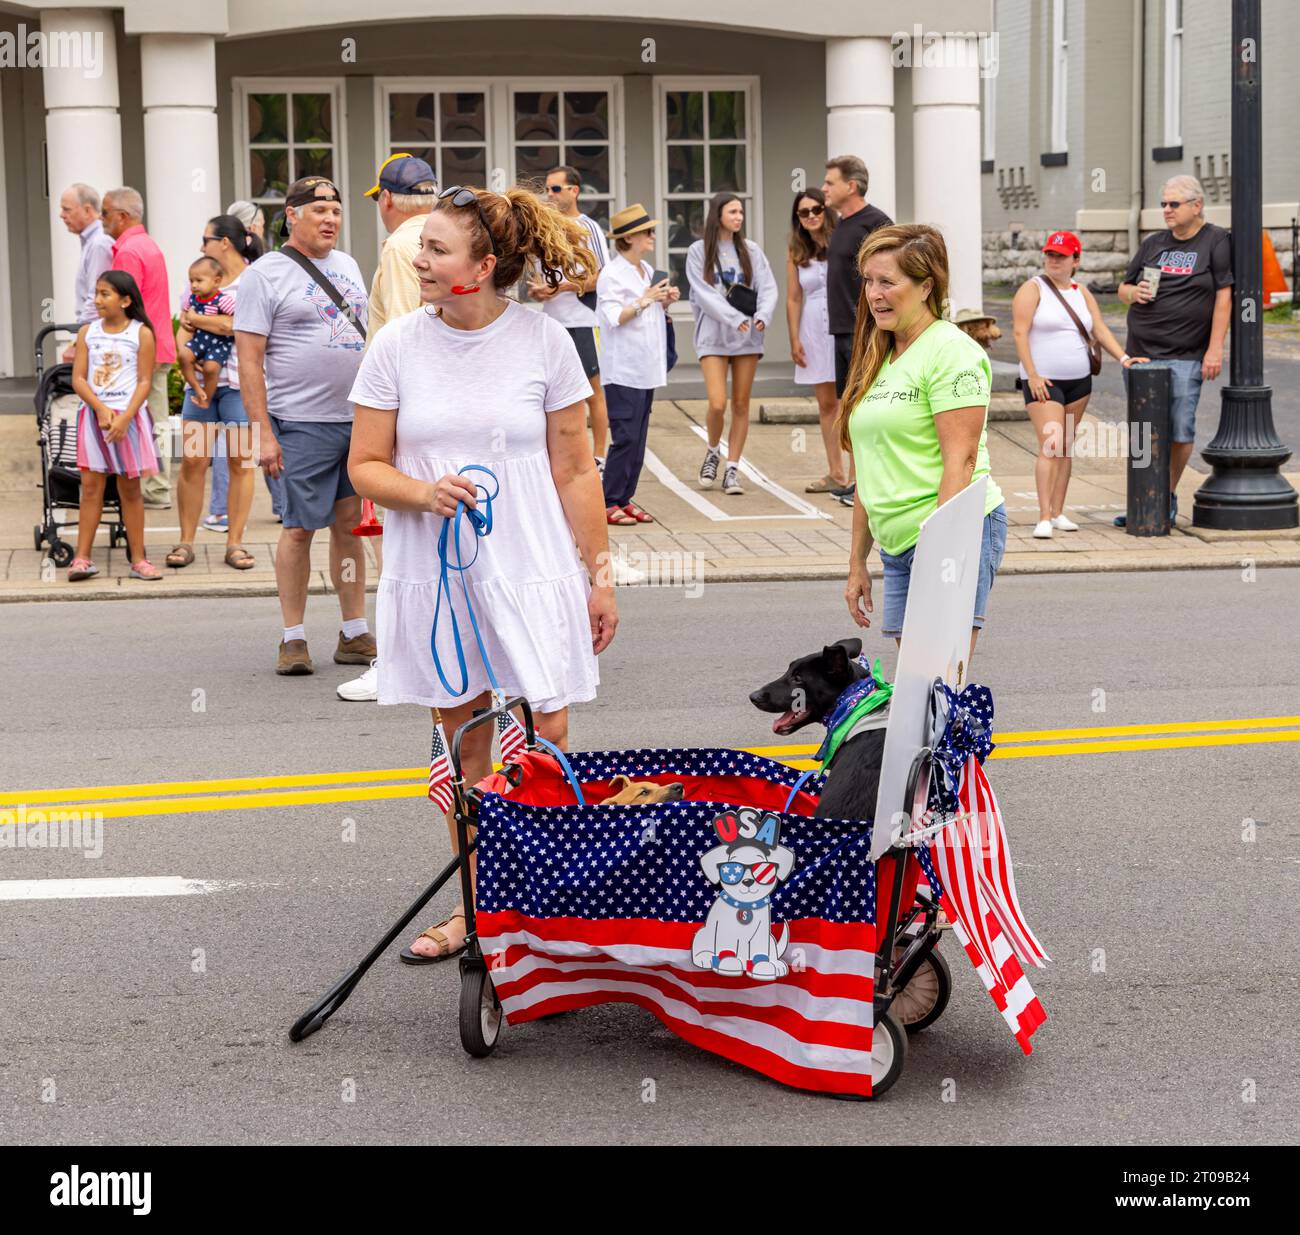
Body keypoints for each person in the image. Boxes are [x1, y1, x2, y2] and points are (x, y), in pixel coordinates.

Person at [348, 183, 618, 963]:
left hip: (532, 564)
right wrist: (424, 491)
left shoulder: (544, 342)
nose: (417, 257)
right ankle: (479, 910)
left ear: (484, 264)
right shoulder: (396, 345)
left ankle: (546, 913)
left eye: (435, 247)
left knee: (546, 736)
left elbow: (575, 468)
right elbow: (365, 466)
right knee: (467, 747)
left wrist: (599, 575)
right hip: (438, 579)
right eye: (418, 245)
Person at [840, 225, 1007, 663]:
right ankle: (953, 735)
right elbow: (870, 469)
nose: (874, 294)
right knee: (920, 687)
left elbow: (962, 460)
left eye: (888, 282)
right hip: (898, 544)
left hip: (950, 535)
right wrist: (858, 560)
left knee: (936, 680)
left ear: (926, 286)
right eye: (869, 281)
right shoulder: (880, 356)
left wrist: (940, 552)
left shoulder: (951, 352)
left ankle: (966, 735)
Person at [235, 176, 373, 676]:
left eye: (335, 210)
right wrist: (263, 433)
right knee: (297, 529)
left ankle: (354, 631)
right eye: (318, 210)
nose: (330, 219)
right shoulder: (264, 275)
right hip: (299, 423)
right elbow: (249, 361)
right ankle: (292, 638)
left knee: (349, 526)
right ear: (291, 215)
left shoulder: (349, 265)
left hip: (356, 420)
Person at [1113, 174, 1233, 527]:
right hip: (1142, 352)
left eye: (1173, 204)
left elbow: (1225, 296)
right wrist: (1134, 294)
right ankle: (1140, 501)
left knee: (1180, 430)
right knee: (1143, 432)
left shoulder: (1216, 241)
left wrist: (1214, 349)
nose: (1166, 209)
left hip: (1185, 354)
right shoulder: (1154, 244)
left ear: (1197, 206)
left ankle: (1163, 494)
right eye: (1163, 203)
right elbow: (1123, 286)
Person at [1012, 231, 1143, 539]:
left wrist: (1124, 358)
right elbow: (1019, 332)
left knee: (1066, 447)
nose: (1053, 260)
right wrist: (1031, 373)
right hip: (1044, 381)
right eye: (1049, 254)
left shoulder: (1081, 292)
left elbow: (1098, 328)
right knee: (1051, 444)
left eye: (1060, 255)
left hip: (1079, 381)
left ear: (1075, 260)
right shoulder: (1033, 289)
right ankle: (1043, 516)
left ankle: (1058, 512)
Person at [167, 215, 262, 572]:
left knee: (240, 462)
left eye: (205, 239)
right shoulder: (198, 280)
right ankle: (186, 541)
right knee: (193, 460)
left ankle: (235, 543)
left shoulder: (257, 280)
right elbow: (183, 327)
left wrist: (203, 322)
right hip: (203, 389)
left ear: (225, 242)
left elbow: (240, 326)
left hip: (241, 386)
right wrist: (183, 354)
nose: (200, 247)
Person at [66, 272, 162, 582]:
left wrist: (124, 417)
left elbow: (145, 380)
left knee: (130, 489)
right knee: (91, 489)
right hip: (95, 417)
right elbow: (78, 378)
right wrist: (101, 409)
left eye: (105, 294)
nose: (97, 300)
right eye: (96, 293)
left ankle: (139, 559)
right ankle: (82, 558)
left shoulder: (141, 333)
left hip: (129, 418)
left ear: (125, 300)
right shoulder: (87, 333)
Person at [686, 192, 778, 496]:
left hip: (747, 337)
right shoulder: (699, 251)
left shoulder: (751, 250)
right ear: (718, 215)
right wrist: (730, 317)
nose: (738, 217)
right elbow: (704, 293)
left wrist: (763, 315)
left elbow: (767, 287)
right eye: (733, 212)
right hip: (714, 335)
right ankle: (713, 451)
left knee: (740, 404)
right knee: (717, 402)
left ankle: (732, 469)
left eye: (741, 212)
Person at [596, 204, 679, 525]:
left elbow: (649, 312)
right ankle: (608, 500)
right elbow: (615, 317)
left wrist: (664, 301)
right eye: (647, 232)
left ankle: (625, 497)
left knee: (640, 439)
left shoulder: (645, 269)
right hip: (623, 369)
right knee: (625, 437)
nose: (652, 236)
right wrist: (644, 299)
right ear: (629, 238)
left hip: (647, 367)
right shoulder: (612, 274)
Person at [528, 165, 611, 475]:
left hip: (583, 319)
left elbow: (601, 277)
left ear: (574, 191)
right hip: (551, 321)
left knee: (593, 390)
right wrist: (539, 289)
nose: (549, 194)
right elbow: (538, 271)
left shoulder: (589, 228)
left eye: (556, 189)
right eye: (547, 189)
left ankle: (599, 457)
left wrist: (561, 287)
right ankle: (557, 455)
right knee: (551, 392)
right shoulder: (545, 227)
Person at [822, 155, 894, 505]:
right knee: (850, 404)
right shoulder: (842, 223)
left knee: (865, 403)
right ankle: (855, 481)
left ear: (851, 186)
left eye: (829, 182)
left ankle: (866, 483)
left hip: (864, 331)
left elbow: (896, 269)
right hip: (841, 330)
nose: (824, 188)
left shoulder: (876, 222)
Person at [102, 187, 175, 509]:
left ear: (122, 216)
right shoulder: (147, 245)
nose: (102, 220)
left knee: (146, 420)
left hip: (142, 348)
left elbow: (122, 305)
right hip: (157, 344)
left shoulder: (129, 252)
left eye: (105, 213)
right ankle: (153, 486)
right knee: (154, 419)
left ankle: (154, 489)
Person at [784, 187, 844, 494]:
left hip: (842, 320)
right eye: (803, 212)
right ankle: (836, 471)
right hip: (812, 324)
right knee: (826, 403)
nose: (810, 217)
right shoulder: (796, 249)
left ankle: (861, 473)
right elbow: (794, 297)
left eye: (815, 210)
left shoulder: (841, 240)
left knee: (849, 400)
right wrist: (794, 337)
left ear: (826, 210)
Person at [363, 152, 437, 334]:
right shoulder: (450, 239)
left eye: (377, 198)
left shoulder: (398, 247)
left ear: (386, 198)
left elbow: (399, 331)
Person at [59, 183, 115, 361]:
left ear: (87, 210)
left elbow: (97, 297)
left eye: (67, 209)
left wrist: (79, 342)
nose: (62, 215)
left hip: (97, 337)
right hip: (95, 335)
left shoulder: (98, 243)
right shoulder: (93, 242)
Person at [176, 257, 235, 409]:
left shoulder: (223, 300)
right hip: (199, 340)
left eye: (199, 280)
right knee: (183, 356)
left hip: (218, 343)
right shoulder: (193, 299)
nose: (194, 285)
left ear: (216, 281)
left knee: (211, 369)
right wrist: (183, 318)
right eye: (191, 281)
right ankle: (196, 387)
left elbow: (238, 318)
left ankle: (206, 398)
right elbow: (185, 311)